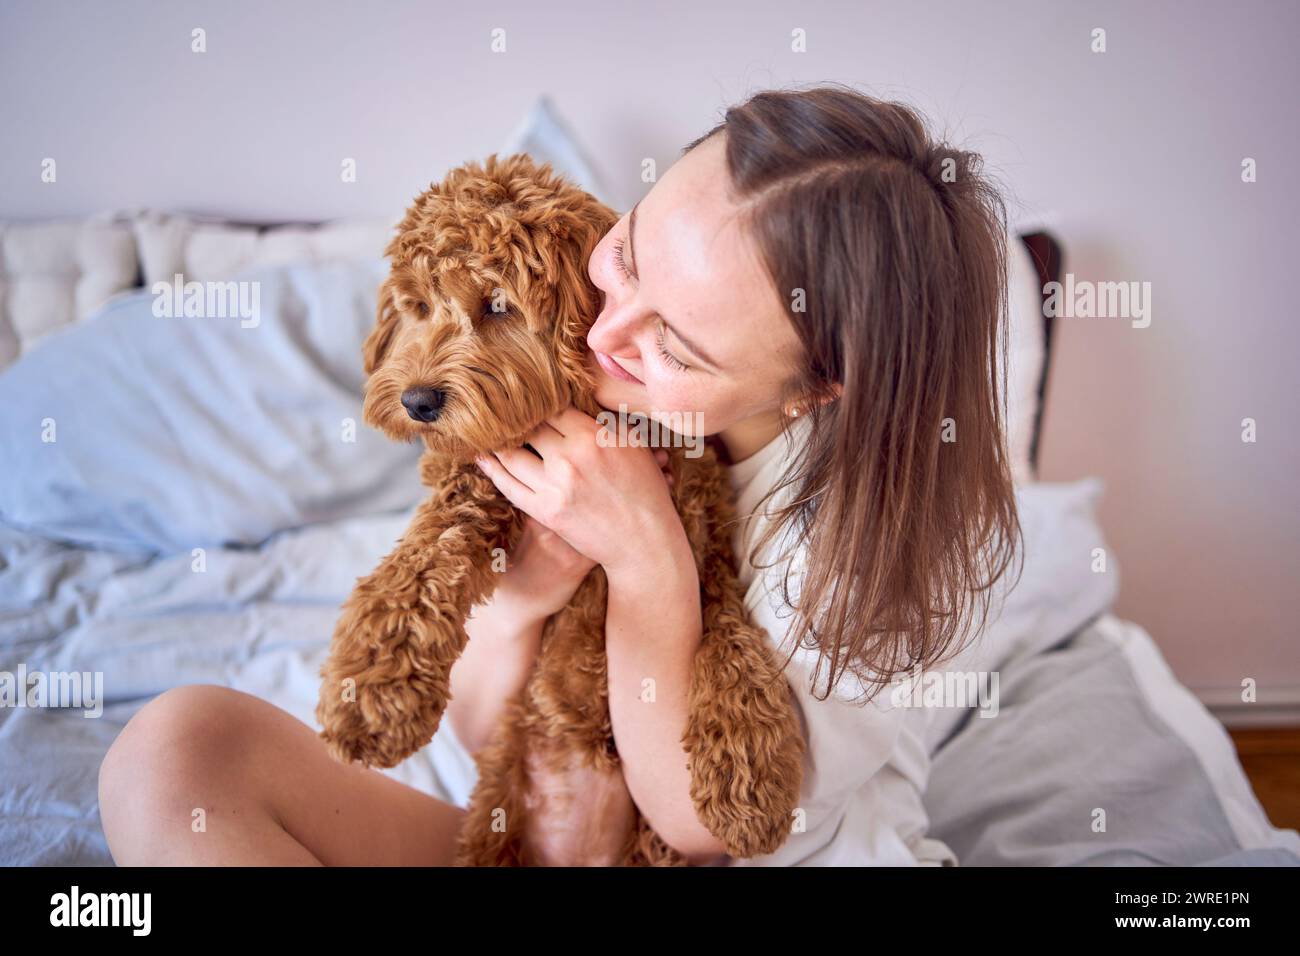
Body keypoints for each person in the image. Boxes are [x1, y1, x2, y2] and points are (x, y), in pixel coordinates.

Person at [98, 83, 1021, 866]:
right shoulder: (572, 393)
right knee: (178, 750)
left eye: (674, 346)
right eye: (625, 258)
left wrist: (646, 555)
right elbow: (473, 730)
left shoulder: (883, 553)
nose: (601, 336)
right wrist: (523, 596)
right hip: (533, 829)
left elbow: (703, 825)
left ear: (819, 387)